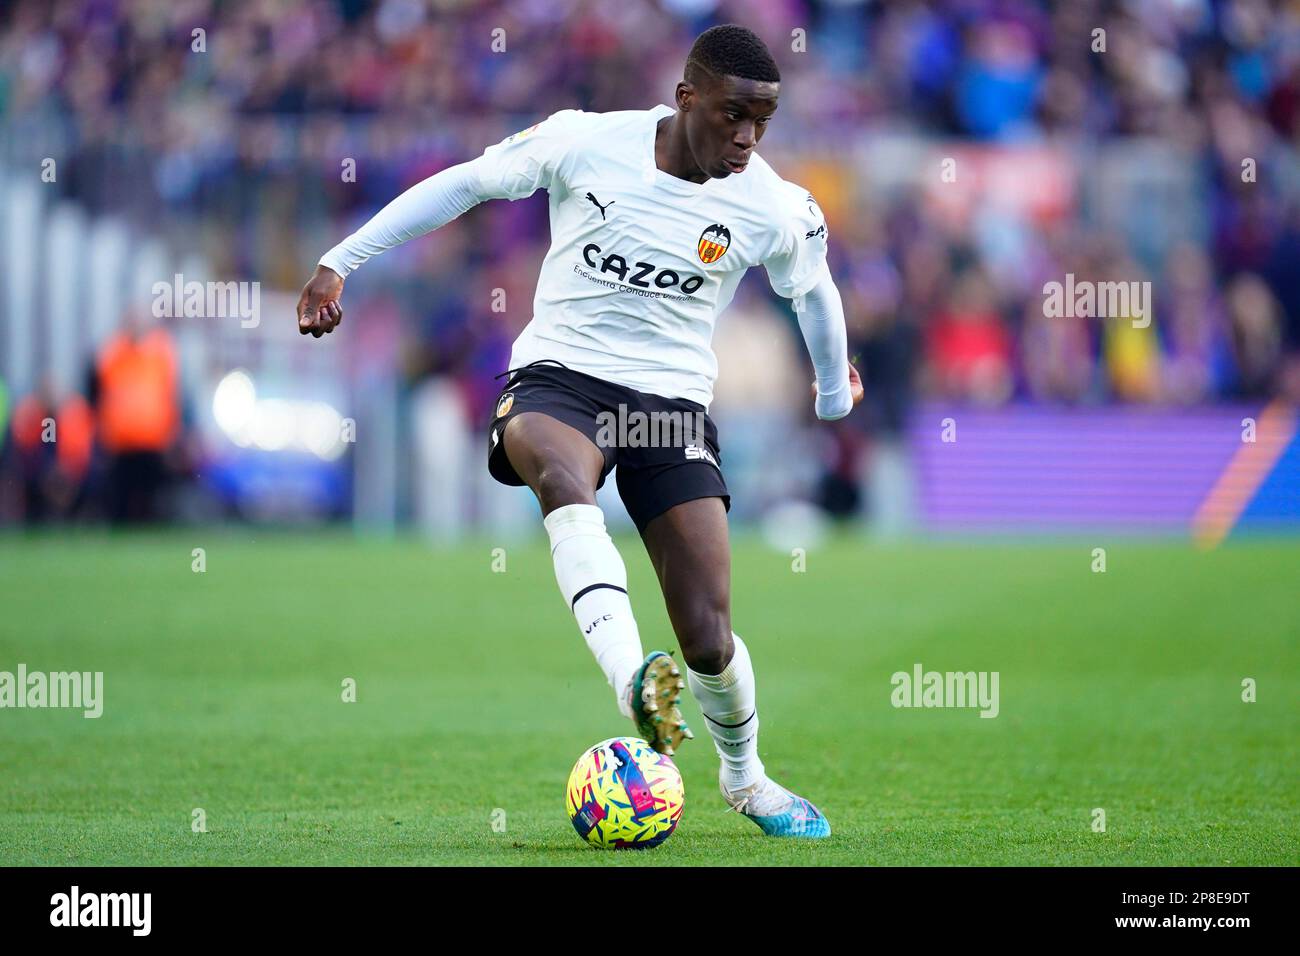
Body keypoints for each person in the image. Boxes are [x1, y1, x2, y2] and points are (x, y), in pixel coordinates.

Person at [296, 25, 862, 838]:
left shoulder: (773, 205)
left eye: (760, 124)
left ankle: (747, 781)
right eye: (733, 115)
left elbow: (815, 292)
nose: (745, 138)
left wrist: (833, 389)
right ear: (686, 96)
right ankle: (634, 678)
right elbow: (464, 185)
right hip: (560, 378)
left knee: (707, 635)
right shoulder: (584, 143)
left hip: (667, 405)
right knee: (559, 475)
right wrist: (339, 260)